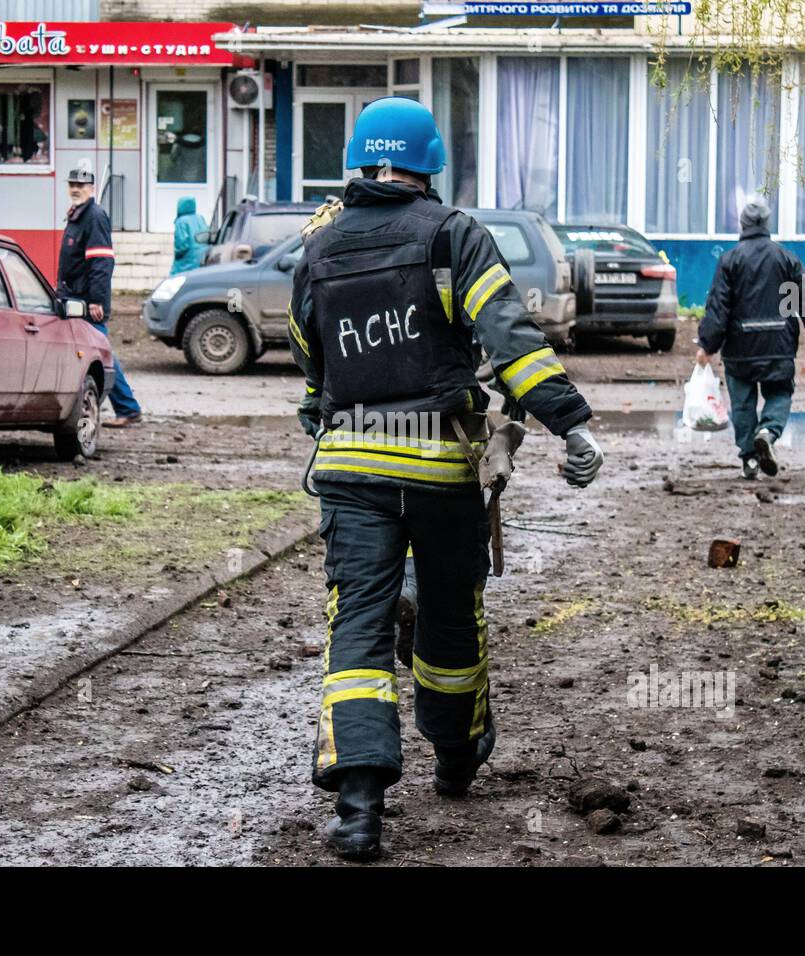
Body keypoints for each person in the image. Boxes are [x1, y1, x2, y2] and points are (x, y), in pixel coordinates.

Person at [287, 97, 602, 861]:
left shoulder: (318, 249)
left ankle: (360, 812)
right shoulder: (453, 236)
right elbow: (511, 338)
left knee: (357, 626)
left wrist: (319, 409)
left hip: (352, 467)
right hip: (440, 467)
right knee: (451, 619)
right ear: (430, 166)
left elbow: (310, 356)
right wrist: (570, 422)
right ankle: (458, 759)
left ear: (359, 164)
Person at [696, 200, 805, 479]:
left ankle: (749, 459)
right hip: (778, 346)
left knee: (743, 403)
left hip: (739, 348)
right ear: (767, 225)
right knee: (780, 393)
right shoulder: (786, 258)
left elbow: (718, 307)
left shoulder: (729, 260)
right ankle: (768, 432)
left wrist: (707, 345)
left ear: (742, 225)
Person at [57, 165, 142, 427]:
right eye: (72, 184)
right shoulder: (77, 215)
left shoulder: (93, 216)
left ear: (91, 189)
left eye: (81, 186)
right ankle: (119, 407)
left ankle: (127, 408)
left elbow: (101, 263)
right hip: (74, 299)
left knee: (101, 353)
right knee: (93, 353)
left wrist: (96, 301)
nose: (75, 189)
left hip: (86, 302)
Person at [171, 197, 209, 274]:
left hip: (188, 259)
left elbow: (182, 245)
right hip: (203, 256)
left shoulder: (181, 221)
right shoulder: (200, 218)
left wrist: (177, 255)